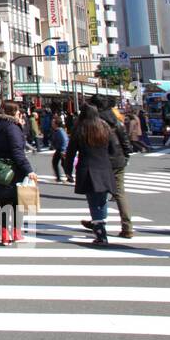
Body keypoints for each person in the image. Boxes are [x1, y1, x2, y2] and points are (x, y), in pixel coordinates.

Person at [64, 105, 121, 246]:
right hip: (104, 167)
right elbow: (114, 149)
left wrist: (67, 171)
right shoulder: (105, 128)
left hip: (87, 168)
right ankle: (99, 224)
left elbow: (70, 152)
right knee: (102, 199)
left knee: (93, 200)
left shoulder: (80, 129)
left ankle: (100, 232)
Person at [0, 101, 36, 245]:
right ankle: (16, 232)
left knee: (2, 203)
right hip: (13, 170)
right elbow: (17, 152)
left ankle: (4, 234)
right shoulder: (12, 128)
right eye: (18, 112)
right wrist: (29, 170)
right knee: (16, 203)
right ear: (13, 113)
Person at [92, 96, 135, 238]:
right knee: (119, 194)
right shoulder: (116, 120)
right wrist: (126, 155)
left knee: (98, 192)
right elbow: (125, 140)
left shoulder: (96, 122)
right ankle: (127, 226)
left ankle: (98, 221)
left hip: (103, 161)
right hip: (119, 160)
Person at [50, 117, 71, 183]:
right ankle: (61, 177)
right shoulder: (57, 130)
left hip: (62, 150)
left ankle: (69, 177)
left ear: (56, 124)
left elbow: (65, 141)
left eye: (53, 122)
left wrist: (63, 150)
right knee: (59, 163)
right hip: (60, 149)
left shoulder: (60, 131)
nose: (52, 123)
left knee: (62, 164)